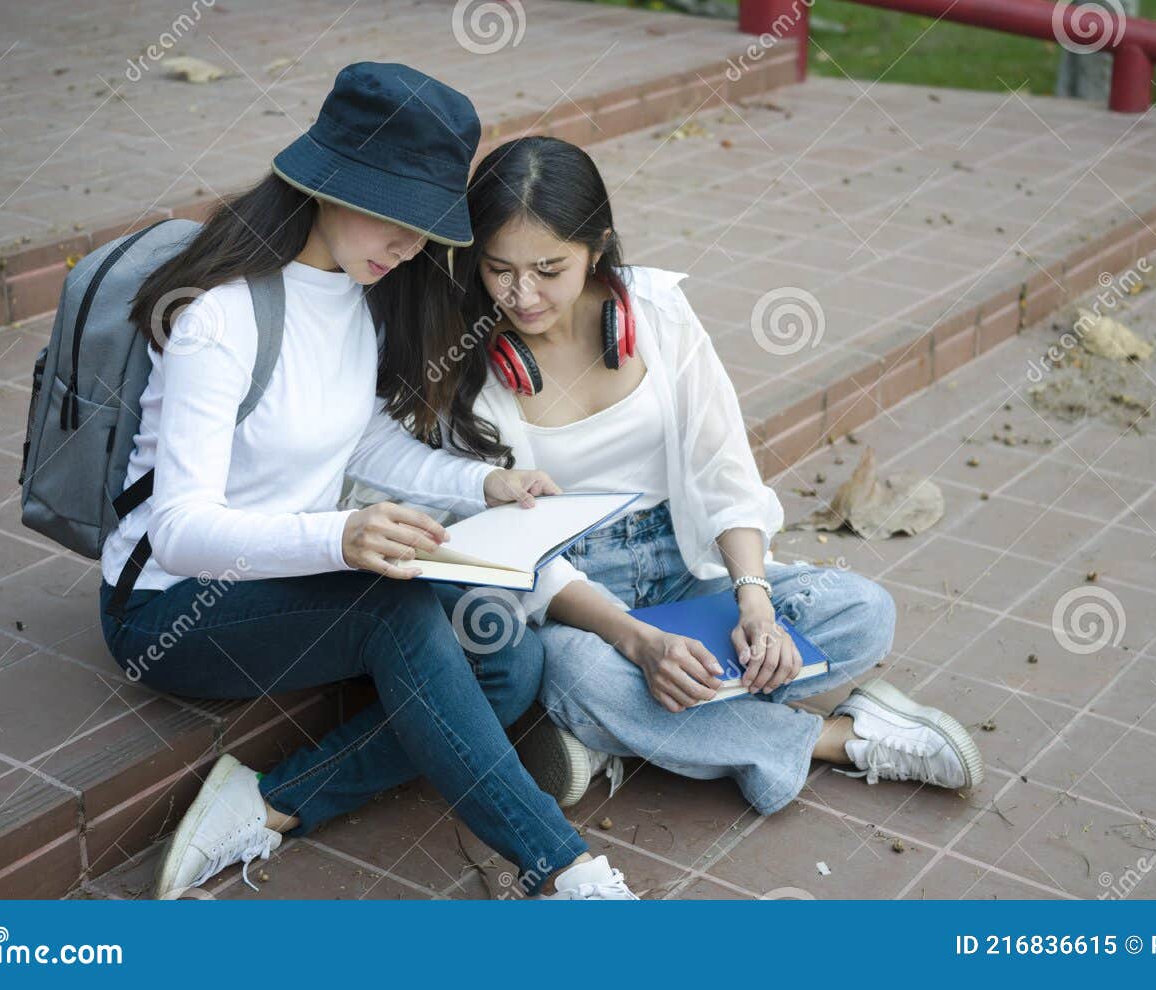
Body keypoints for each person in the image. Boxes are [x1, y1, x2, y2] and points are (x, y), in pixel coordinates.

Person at [97, 66, 635, 901]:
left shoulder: (356, 290)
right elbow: (180, 530)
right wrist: (339, 538)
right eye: (393, 216)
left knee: (507, 657)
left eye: (425, 228)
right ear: (324, 183)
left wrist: (482, 485)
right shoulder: (220, 317)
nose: (409, 246)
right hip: (174, 605)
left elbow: (363, 438)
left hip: (289, 578)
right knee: (393, 607)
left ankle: (271, 805)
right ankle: (564, 872)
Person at [379, 136, 985, 817]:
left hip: (684, 560)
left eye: (549, 269)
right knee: (582, 675)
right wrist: (636, 641)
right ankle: (840, 739)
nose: (522, 295)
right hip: (574, 595)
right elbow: (508, 546)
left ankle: (627, 736)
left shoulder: (659, 311)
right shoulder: (458, 352)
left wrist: (754, 603)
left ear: (597, 247)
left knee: (863, 612)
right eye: (499, 270)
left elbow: (723, 465)